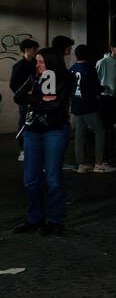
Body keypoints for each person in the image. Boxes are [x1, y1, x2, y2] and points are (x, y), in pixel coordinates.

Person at [13, 47, 74, 235]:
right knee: (30, 179)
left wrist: (34, 99)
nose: (37, 64)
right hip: (32, 131)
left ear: (51, 62)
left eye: (40, 61)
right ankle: (34, 218)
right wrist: (41, 98)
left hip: (54, 131)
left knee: (53, 179)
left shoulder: (66, 78)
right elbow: (18, 96)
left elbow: (58, 103)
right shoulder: (34, 76)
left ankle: (55, 220)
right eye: (37, 61)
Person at [69, 45, 115, 174]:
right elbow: (94, 88)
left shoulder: (72, 69)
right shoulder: (89, 68)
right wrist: (104, 88)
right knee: (100, 131)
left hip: (76, 105)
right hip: (88, 106)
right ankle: (99, 163)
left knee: (79, 135)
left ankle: (81, 164)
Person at [95, 41, 116, 159]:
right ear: (112, 48)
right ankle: (107, 150)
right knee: (107, 126)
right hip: (106, 98)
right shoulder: (102, 62)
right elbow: (96, 79)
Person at [9, 38, 39, 162]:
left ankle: (32, 149)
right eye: (34, 49)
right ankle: (22, 151)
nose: (36, 51)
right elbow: (13, 84)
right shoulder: (19, 66)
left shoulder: (35, 64)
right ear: (28, 50)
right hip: (25, 101)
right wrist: (25, 94)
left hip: (36, 100)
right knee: (24, 125)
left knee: (34, 124)